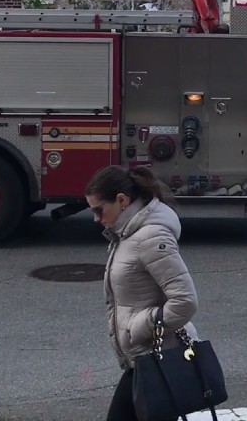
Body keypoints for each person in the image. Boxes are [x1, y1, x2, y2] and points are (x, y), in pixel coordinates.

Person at [87, 165, 199, 421]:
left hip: (159, 358)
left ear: (122, 200)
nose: (96, 218)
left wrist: (139, 327)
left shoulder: (150, 237)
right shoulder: (126, 235)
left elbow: (185, 300)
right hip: (142, 361)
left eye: (98, 210)